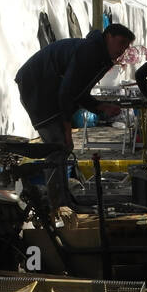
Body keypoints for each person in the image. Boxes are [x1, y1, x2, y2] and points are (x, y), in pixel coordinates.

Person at [15, 24, 134, 211]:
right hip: (37, 86)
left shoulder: (100, 56)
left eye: (126, 47)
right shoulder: (90, 52)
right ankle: (58, 206)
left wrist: (99, 106)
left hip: (45, 87)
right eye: (120, 43)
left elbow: (80, 92)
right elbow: (66, 93)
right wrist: (68, 130)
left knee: (59, 148)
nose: (121, 50)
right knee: (58, 146)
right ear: (108, 36)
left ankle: (60, 199)